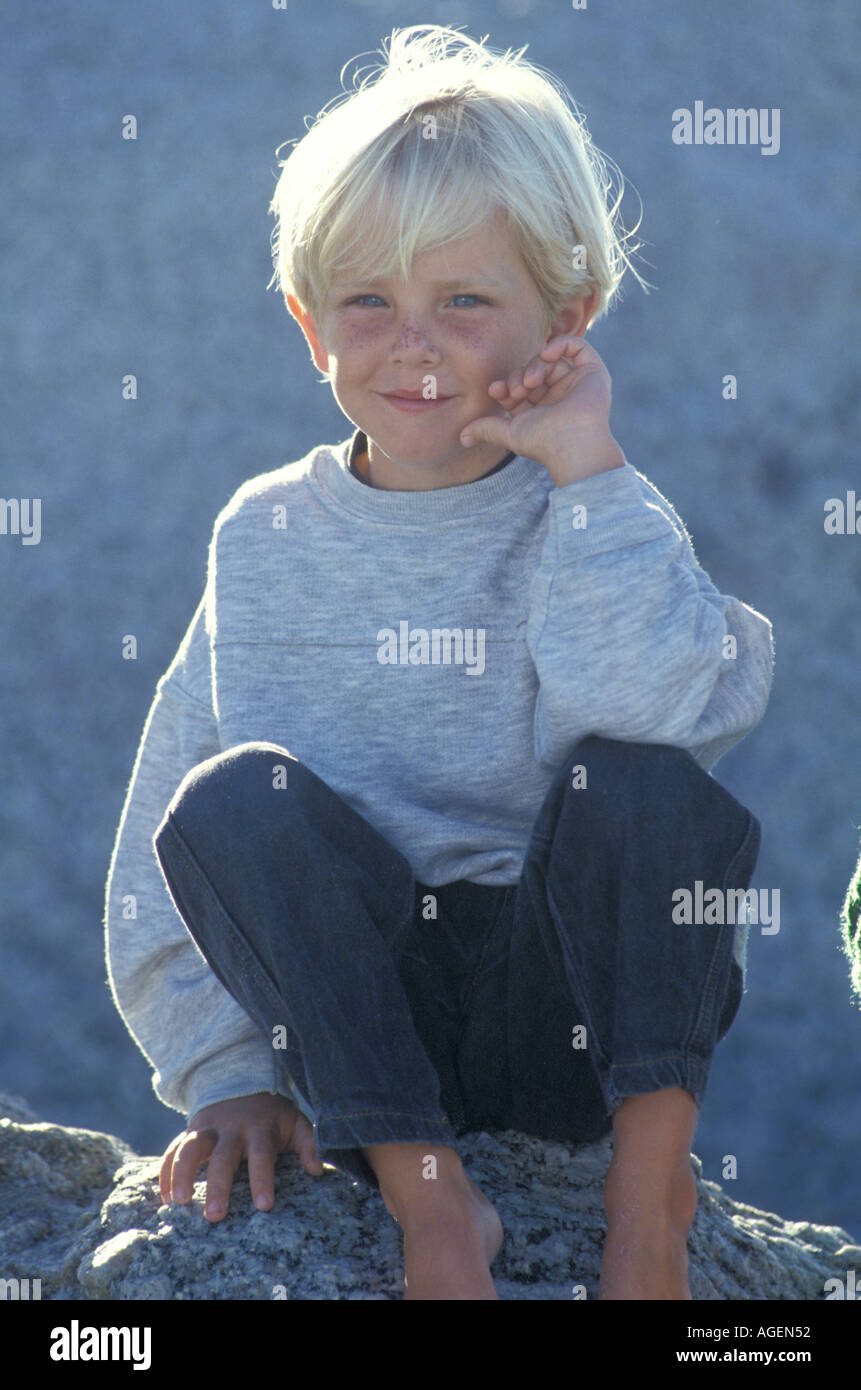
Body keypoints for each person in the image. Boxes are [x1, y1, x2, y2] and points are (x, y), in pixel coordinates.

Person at [104, 24, 774, 1300]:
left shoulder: (597, 514)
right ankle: (436, 1209)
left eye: (464, 300)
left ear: (564, 317)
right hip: (364, 1024)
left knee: (638, 779)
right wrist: (228, 1075)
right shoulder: (265, 537)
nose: (412, 346)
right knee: (236, 796)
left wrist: (586, 470)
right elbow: (175, 822)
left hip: (565, 1014)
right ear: (310, 326)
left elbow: (662, 728)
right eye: (369, 301)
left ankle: (647, 1203)